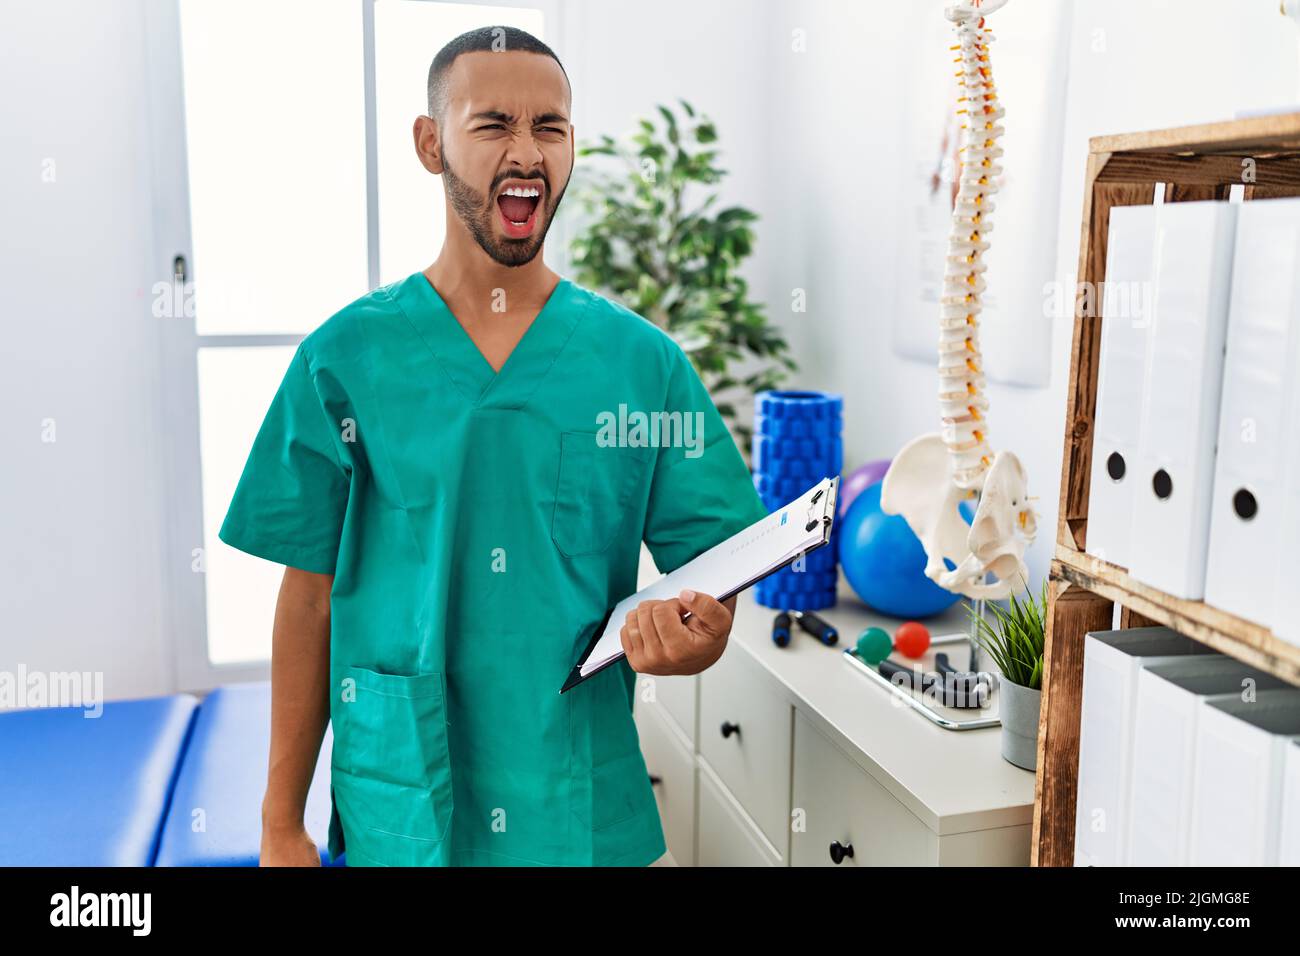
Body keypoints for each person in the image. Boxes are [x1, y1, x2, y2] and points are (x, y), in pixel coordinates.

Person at [220, 25, 766, 867]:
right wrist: (278, 821)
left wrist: (701, 635)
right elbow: (310, 600)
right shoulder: (343, 363)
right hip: (405, 797)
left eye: (550, 127)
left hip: (573, 799)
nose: (527, 152)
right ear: (430, 144)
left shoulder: (641, 366)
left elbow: (714, 575)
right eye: (493, 125)